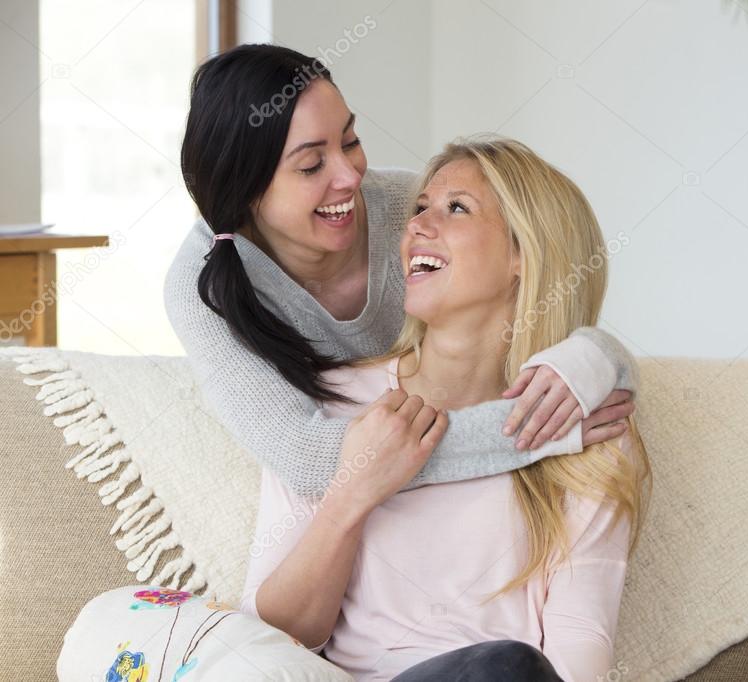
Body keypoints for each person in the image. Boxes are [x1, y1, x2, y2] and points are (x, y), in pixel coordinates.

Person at [240, 137, 652, 682]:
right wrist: (353, 494)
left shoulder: (583, 432)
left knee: (507, 667)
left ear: (522, 255)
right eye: (418, 208)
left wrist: (603, 354)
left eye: (456, 207)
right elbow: (276, 633)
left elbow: (580, 641)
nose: (416, 226)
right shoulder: (330, 404)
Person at [165, 44, 639, 499]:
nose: (351, 177)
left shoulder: (413, 214)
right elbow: (312, 459)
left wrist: (601, 354)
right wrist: (535, 434)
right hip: (352, 508)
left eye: (350, 141)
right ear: (247, 187)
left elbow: (549, 279)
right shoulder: (201, 287)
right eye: (311, 165)